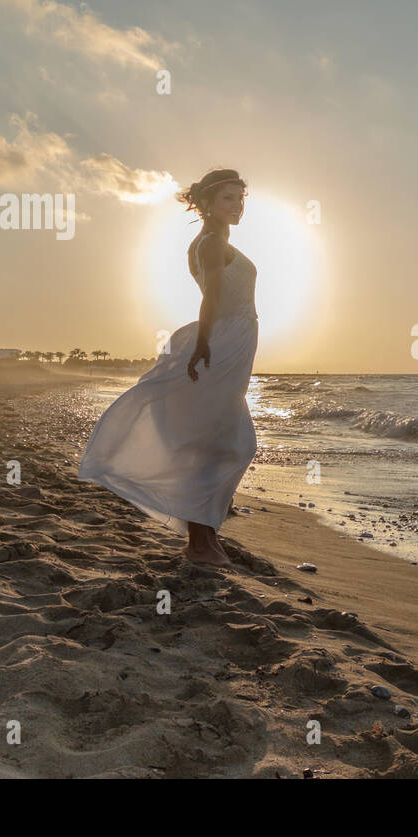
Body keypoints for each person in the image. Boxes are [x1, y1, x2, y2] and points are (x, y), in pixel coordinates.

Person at [77, 168, 259, 566]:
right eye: (228, 197)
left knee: (219, 441)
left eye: (240, 197)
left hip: (233, 342)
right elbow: (211, 296)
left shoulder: (217, 239)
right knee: (227, 442)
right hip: (223, 342)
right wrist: (204, 344)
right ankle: (198, 541)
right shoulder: (211, 243)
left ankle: (205, 538)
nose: (237, 204)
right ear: (207, 203)